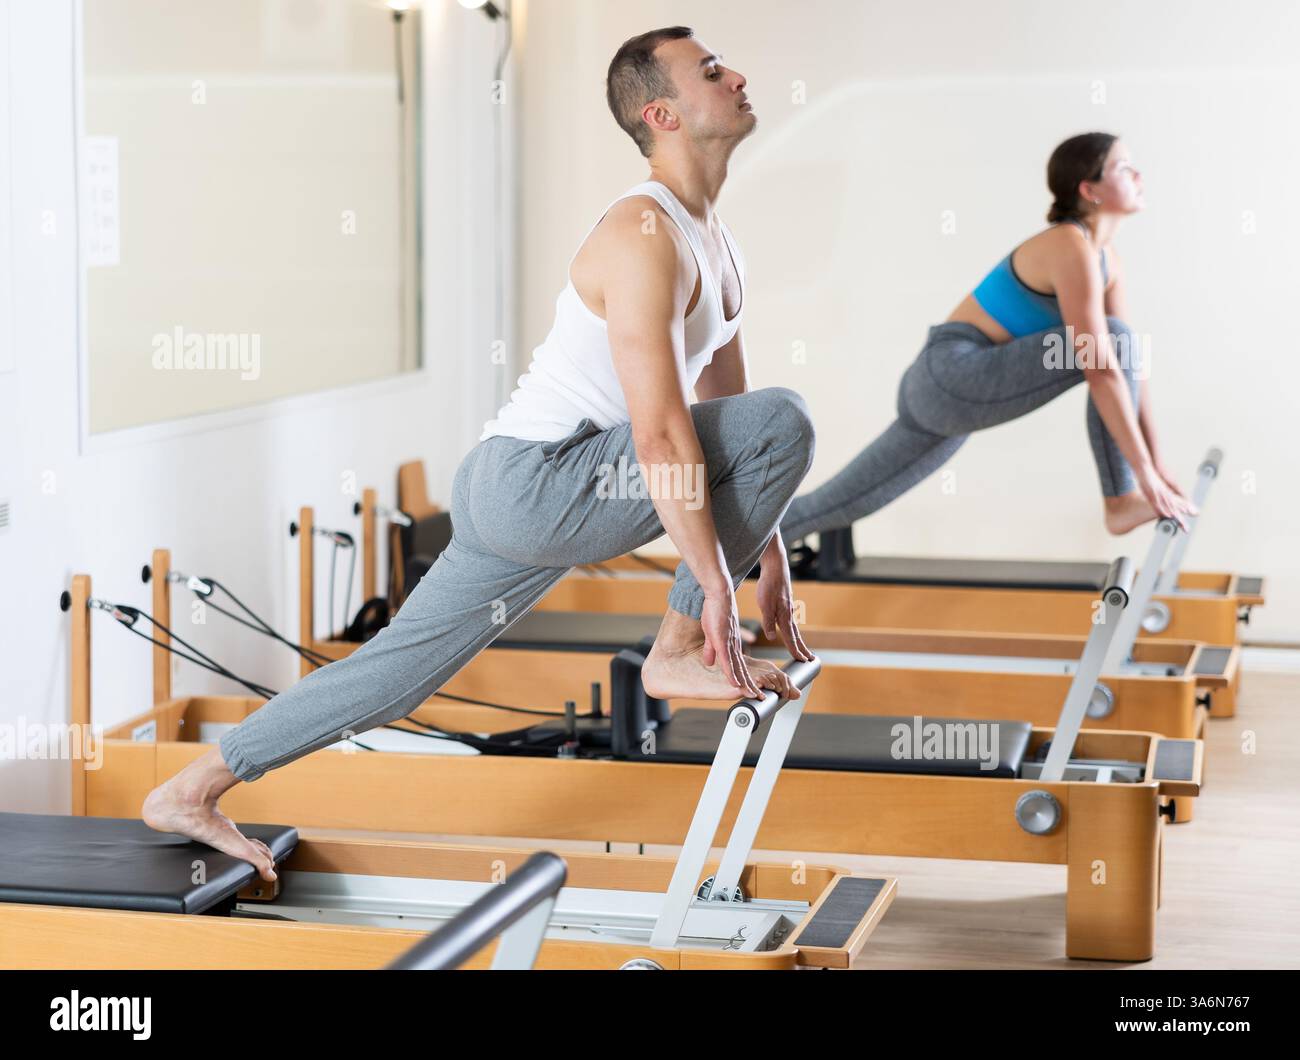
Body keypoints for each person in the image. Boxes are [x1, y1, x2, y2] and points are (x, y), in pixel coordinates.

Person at [142, 26, 816, 880]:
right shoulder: (643, 232)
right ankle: (674, 654)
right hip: (541, 481)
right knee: (789, 417)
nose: (740, 75)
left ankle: (190, 790)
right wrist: (707, 592)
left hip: (532, 487)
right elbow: (664, 434)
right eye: (713, 71)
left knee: (395, 677)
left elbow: (725, 412)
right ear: (663, 114)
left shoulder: (718, 242)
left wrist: (769, 562)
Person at [780, 132, 1194, 553]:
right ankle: (1119, 502)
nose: (1139, 173)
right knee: (1114, 341)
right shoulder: (1069, 245)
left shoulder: (1108, 261)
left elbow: (1127, 370)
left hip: (949, 390)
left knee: (844, 501)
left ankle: (753, 546)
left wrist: (1157, 467)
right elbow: (1102, 365)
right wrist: (1139, 478)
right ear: (1089, 189)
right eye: (1124, 167)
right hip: (953, 372)